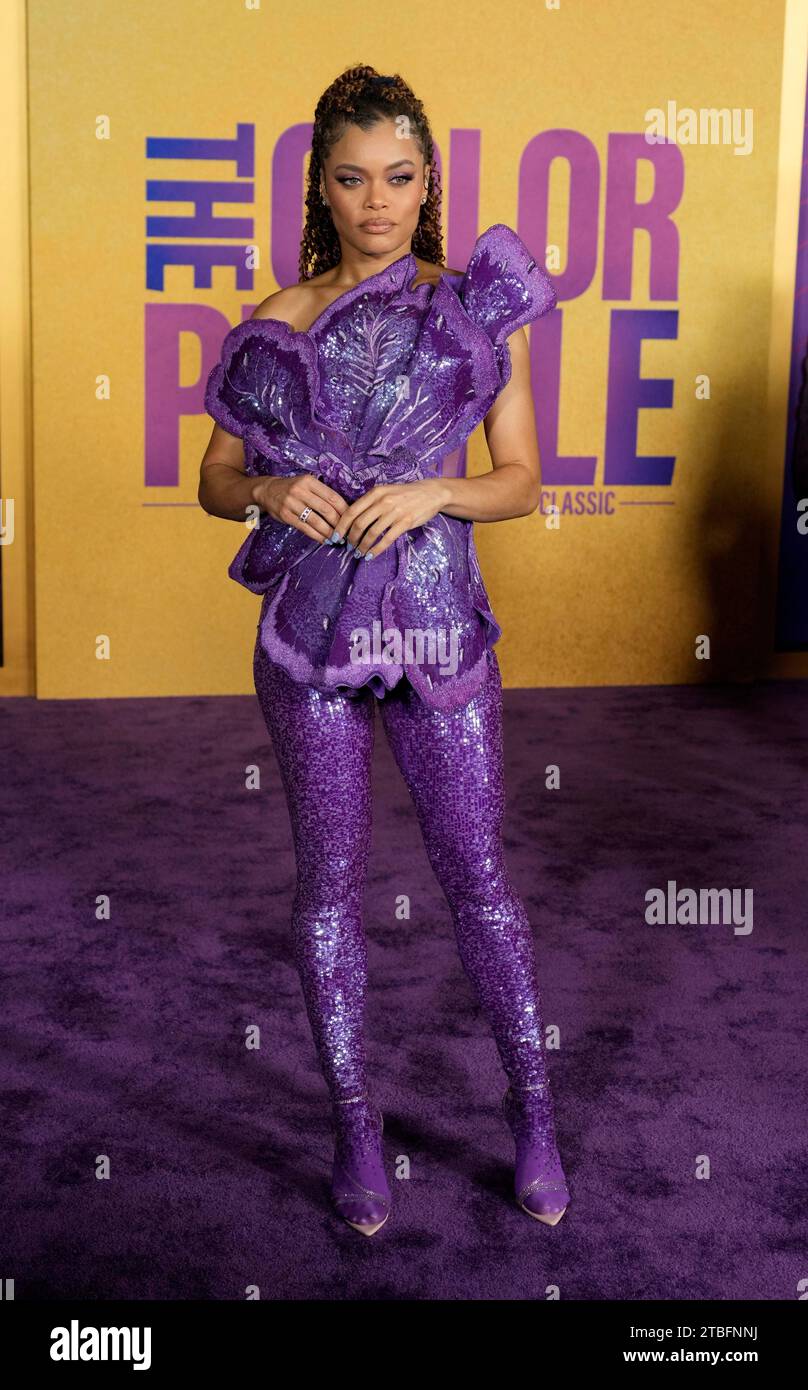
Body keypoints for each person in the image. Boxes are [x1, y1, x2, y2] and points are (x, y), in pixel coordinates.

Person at [199, 63, 570, 1237]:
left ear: (427, 183)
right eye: (353, 178)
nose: (377, 202)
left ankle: (534, 1117)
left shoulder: (471, 309)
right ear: (319, 182)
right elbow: (209, 480)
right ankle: (356, 1127)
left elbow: (521, 479)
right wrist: (269, 484)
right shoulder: (280, 315)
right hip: (306, 632)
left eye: (399, 178)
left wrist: (434, 492)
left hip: (436, 624)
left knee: (477, 878)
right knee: (329, 889)